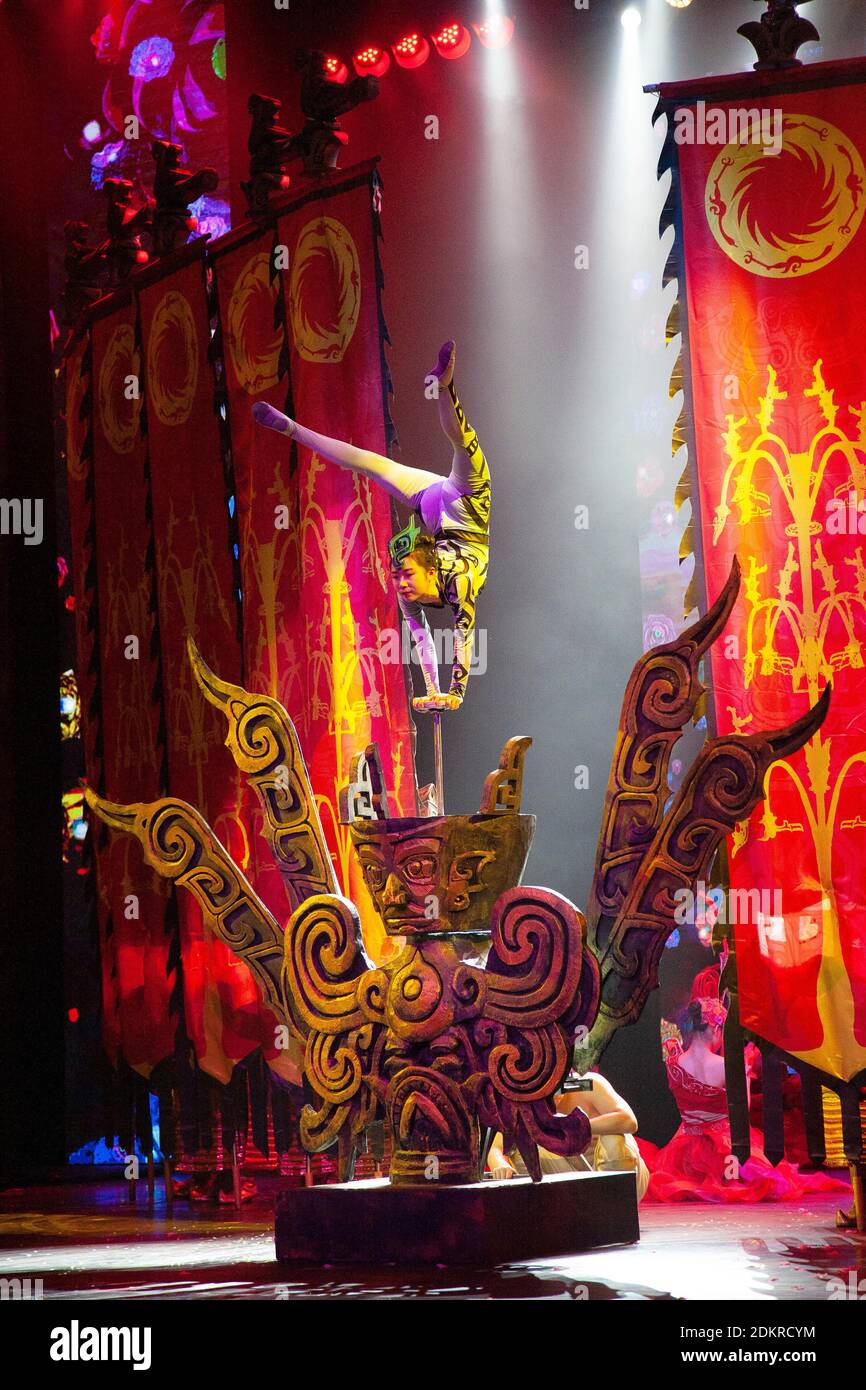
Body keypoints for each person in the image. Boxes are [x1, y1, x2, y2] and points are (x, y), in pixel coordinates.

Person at [253, 340, 490, 709]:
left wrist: (448, 693)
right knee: (372, 462)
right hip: (462, 513)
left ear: (427, 570)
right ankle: (292, 429)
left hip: (452, 507)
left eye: (405, 576)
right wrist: (439, 692)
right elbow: (441, 634)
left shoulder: (436, 585)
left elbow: (449, 636)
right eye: (399, 577)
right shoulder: (446, 583)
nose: (401, 584)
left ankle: (444, 385)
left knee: (462, 444)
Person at [640, 997, 848, 1203]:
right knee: (759, 1180)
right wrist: (746, 1074)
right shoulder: (726, 1065)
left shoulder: (674, 1063)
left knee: (678, 1180)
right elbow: (742, 1109)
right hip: (725, 1147)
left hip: (683, 1150)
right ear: (715, 1029)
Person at [487, 1071, 650, 1201]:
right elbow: (496, 1148)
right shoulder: (525, 1102)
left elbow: (629, 1121)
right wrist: (500, 1165)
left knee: (614, 1138)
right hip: (575, 1186)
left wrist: (581, 1127)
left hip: (619, 1181)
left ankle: (615, 1207)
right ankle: (560, 1205)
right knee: (522, 1148)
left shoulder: (587, 1084)